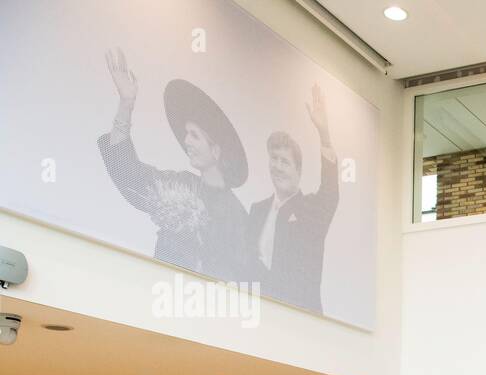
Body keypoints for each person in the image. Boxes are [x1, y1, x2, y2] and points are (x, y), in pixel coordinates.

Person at [98, 48, 249, 282]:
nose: (186, 141)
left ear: (216, 150)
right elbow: (128, 176)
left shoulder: (238, 215)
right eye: (186, 134)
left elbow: (242, 275)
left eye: (194, 135)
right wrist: (126, 104)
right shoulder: (180, 186)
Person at [247, 83, 338, 314]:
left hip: (301, 321)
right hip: (258, 317)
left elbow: (330, 191)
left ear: (298, 171)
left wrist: (324, 136)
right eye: (274, 159)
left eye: (284, 161)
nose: (277, 166)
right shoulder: (257, 211)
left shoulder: (311, 210)